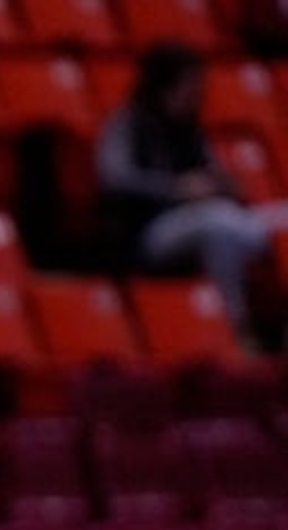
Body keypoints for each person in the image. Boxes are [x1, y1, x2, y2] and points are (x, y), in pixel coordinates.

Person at [97, 40, 288, 347]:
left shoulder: (190, 128)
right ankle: (236, 329)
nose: (197, 93)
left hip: (208, 215)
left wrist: (223, 185)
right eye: (189, 85)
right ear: (163, 86)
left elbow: (212, 174)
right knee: (220, 225)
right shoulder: (127, 123)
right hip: (148, 230)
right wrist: (177, 189)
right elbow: (116, 179)